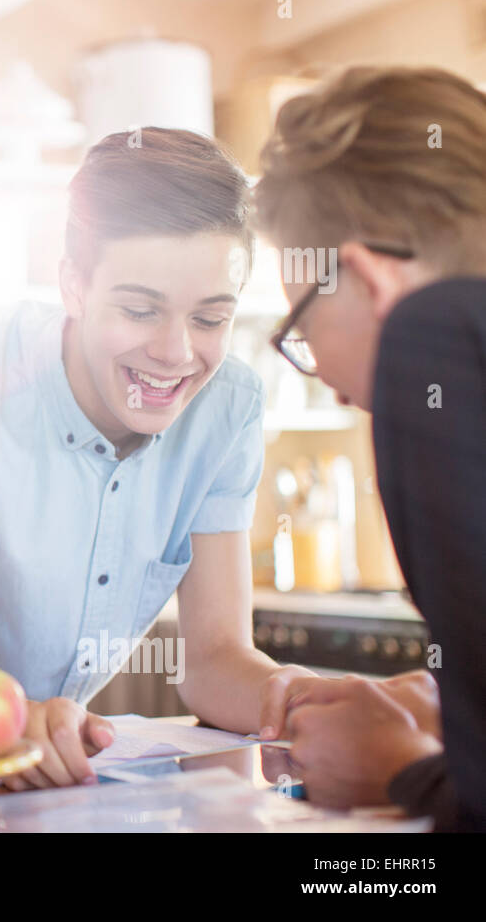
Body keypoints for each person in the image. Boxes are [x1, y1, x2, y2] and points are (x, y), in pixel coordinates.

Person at [0, 128, 317, 788]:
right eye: (139, 309)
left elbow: (213, 660)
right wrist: (17, 720)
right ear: (73, 286)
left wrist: (306, 701)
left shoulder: (229, 406)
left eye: (210, 319)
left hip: (37, 763)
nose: (176, 352)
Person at [255, 65, 486, 830]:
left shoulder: (432, 338)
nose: (323, 377)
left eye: (302, 327)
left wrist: (399, 771)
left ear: (365, 276)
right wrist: (445, 702)